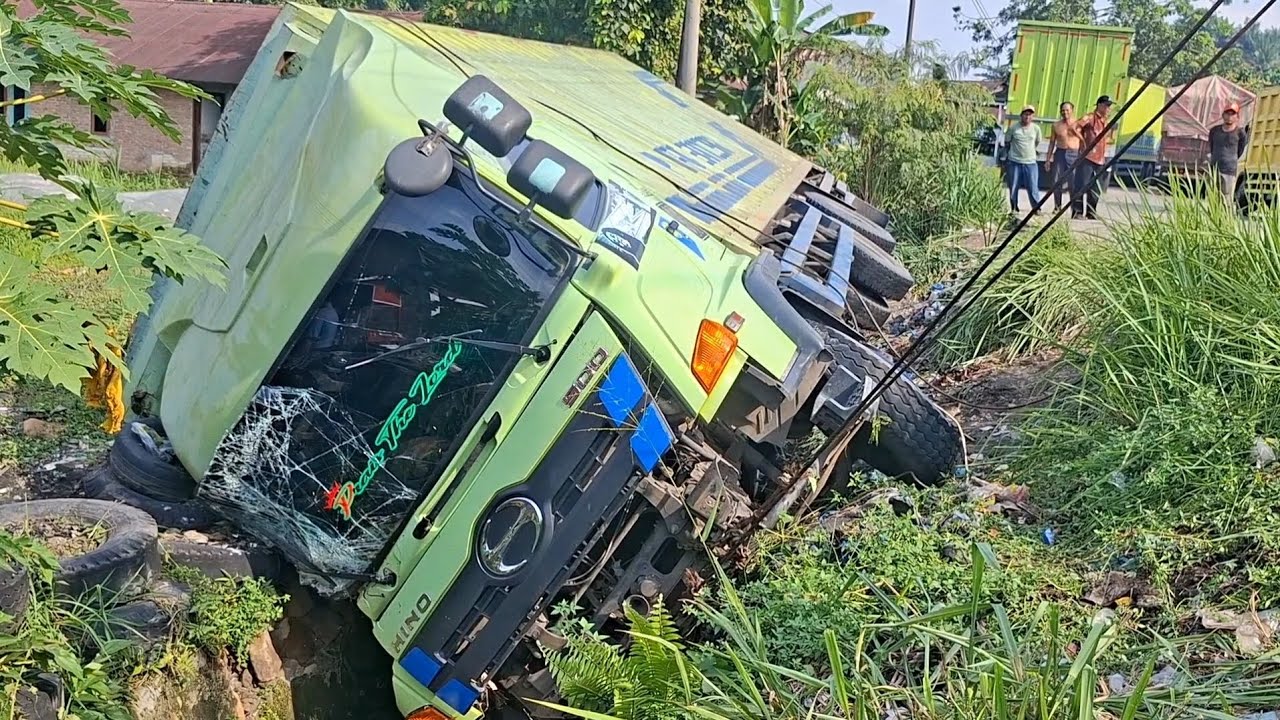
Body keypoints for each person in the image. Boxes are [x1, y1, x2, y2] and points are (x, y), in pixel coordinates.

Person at [1072, 95, 1114, 220]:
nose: (1108, 108)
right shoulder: (1090, 117)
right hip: (1088, 157)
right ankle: (1077, 212)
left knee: (1096, 187)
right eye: (1106, 105)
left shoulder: (1104, 121)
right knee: (1081, 184)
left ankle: (1091, 212)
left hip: (1100, 158)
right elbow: (1075, 127)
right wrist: (1082, 140)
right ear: (1100, 105)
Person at [1208, 102, 1250, 204]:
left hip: (1229, 170)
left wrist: (1231, 159)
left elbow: (1240, 149)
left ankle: (1224, 218)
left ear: (1237, 117)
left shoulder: (1240, 133)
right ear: (1223, 115)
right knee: (1213, 198)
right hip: (1214, 168)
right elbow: (1211, 146)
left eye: (1232, 114)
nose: (1229, 117)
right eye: (1227, 113)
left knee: (1226, 199)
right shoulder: (1214, 131)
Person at [1044, 101, 1082, 211]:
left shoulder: (1078, 124)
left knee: (1073, 183)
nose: (1065, 112)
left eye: (1067, 110)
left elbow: (1084, 141)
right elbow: (1052, 143)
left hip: (1074, 153)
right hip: (1060, 153)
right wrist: (1048, 159)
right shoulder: (1056, 125)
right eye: (1063, 110)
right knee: (1056, 181)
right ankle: (1057, 207)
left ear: (1072, 111)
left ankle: (1075, 210)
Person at [1006, 105, 1042, 215]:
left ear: (1032, 117)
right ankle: (1014, 208)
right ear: (1021, 115)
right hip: (1014, 162)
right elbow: (1007, 142)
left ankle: (1036, 208)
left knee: (1033, 186)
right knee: (1013, 186)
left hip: (1030, 162)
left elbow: (1037, 142)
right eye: (1025, 114)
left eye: (1030, 115)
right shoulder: (1013, 128)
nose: (1027, 117)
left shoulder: (1036, 129)